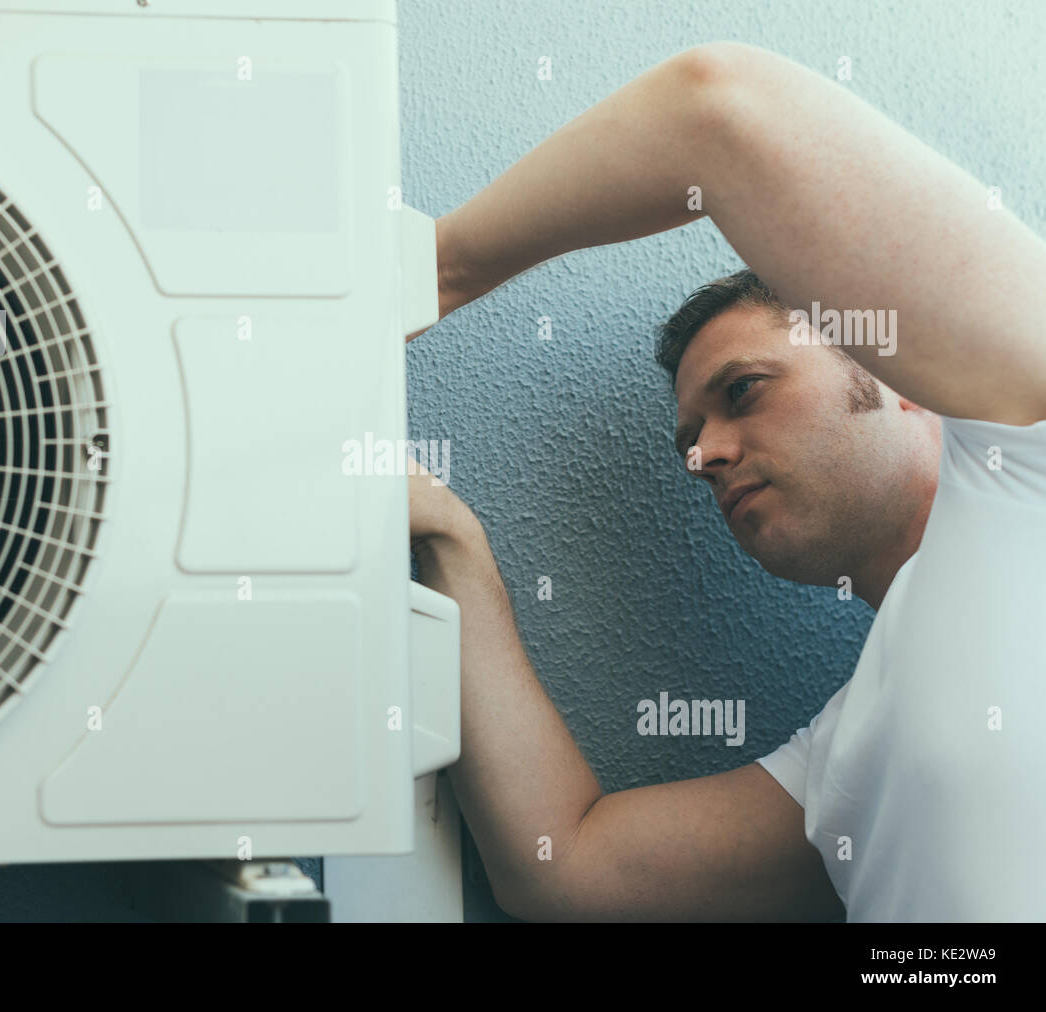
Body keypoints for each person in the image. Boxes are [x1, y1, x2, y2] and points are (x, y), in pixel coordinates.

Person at [407, 41, 1046, 921]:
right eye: (690, 439)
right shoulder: (848, 750)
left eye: (743, 391)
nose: (701, 455)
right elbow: (568, 868)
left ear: (893, 374)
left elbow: (717, 104)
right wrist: (451, 543)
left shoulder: (1031, 465)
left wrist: (422, 275)